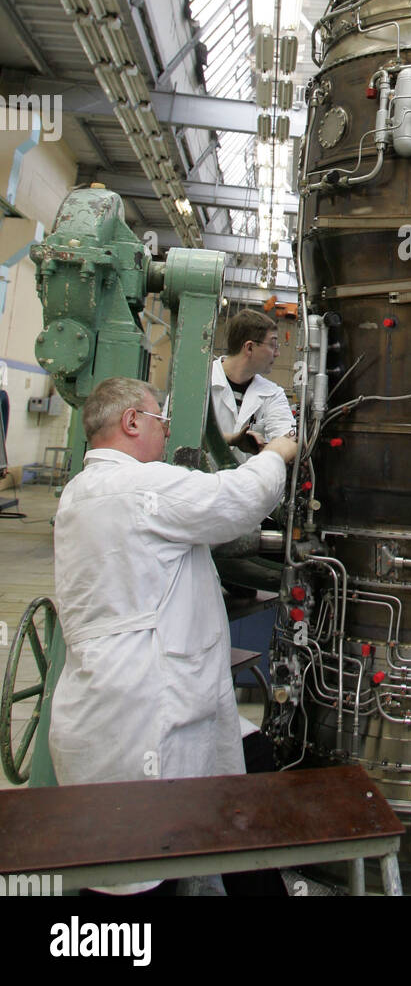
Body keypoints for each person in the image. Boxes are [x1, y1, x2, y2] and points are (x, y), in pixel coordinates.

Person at [49, 376, 298, 799]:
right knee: (156, 845)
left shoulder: (81, 492)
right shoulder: (136, 486)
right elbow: (235, 500)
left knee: (233, 779)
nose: (168, 430)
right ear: (131, 421)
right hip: (146, 716)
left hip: (111, 703)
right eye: (161, 419)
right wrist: (277, 453)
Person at [211, 310, 295, 462]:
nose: (277, 354)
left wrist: (268, 456)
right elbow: (179, 430)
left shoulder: (273, 394)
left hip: (247, 483)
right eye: (273, 345)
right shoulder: (202, 382)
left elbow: (287, 439)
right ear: (249, 347)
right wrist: (231, 439)